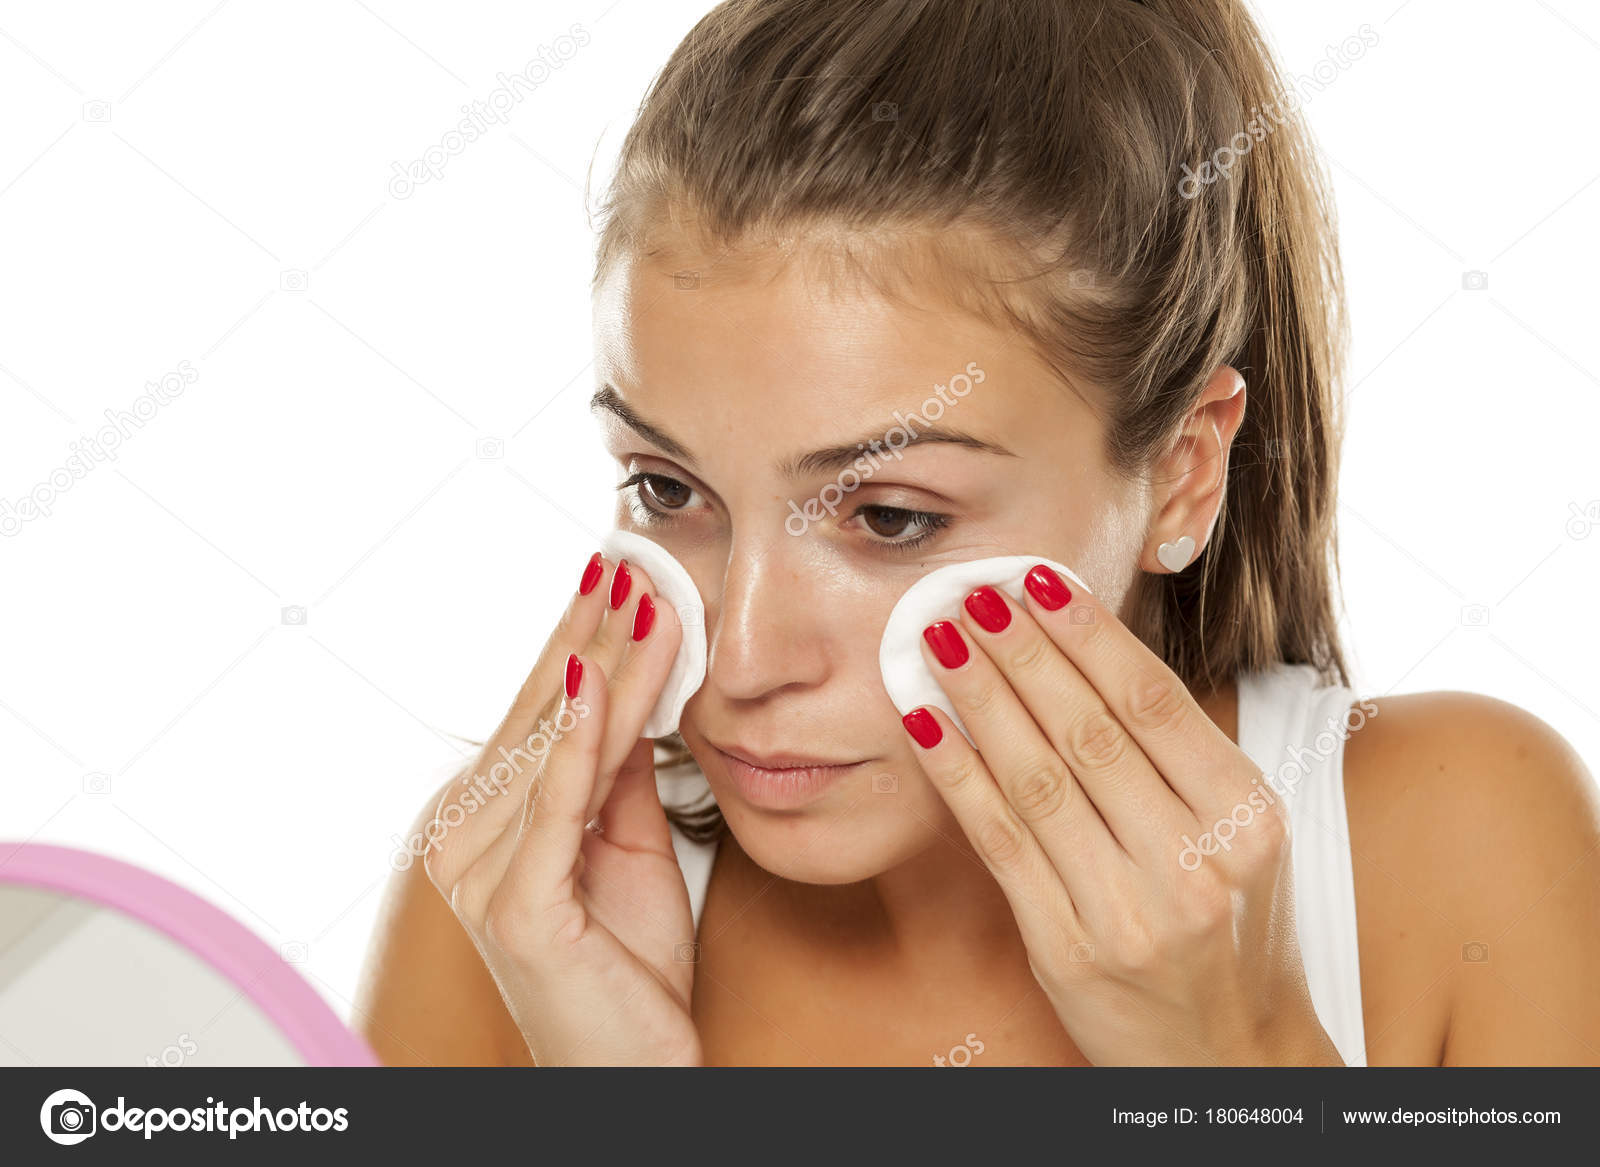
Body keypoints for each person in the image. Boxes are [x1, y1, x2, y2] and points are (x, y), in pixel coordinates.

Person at [355, 0, 1600, 1066]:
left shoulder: (1458, 844)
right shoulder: (512, 919)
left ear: (1179, 474)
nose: (737, 664)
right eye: (670, 491)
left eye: (888, 516)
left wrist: (1243, 1063)